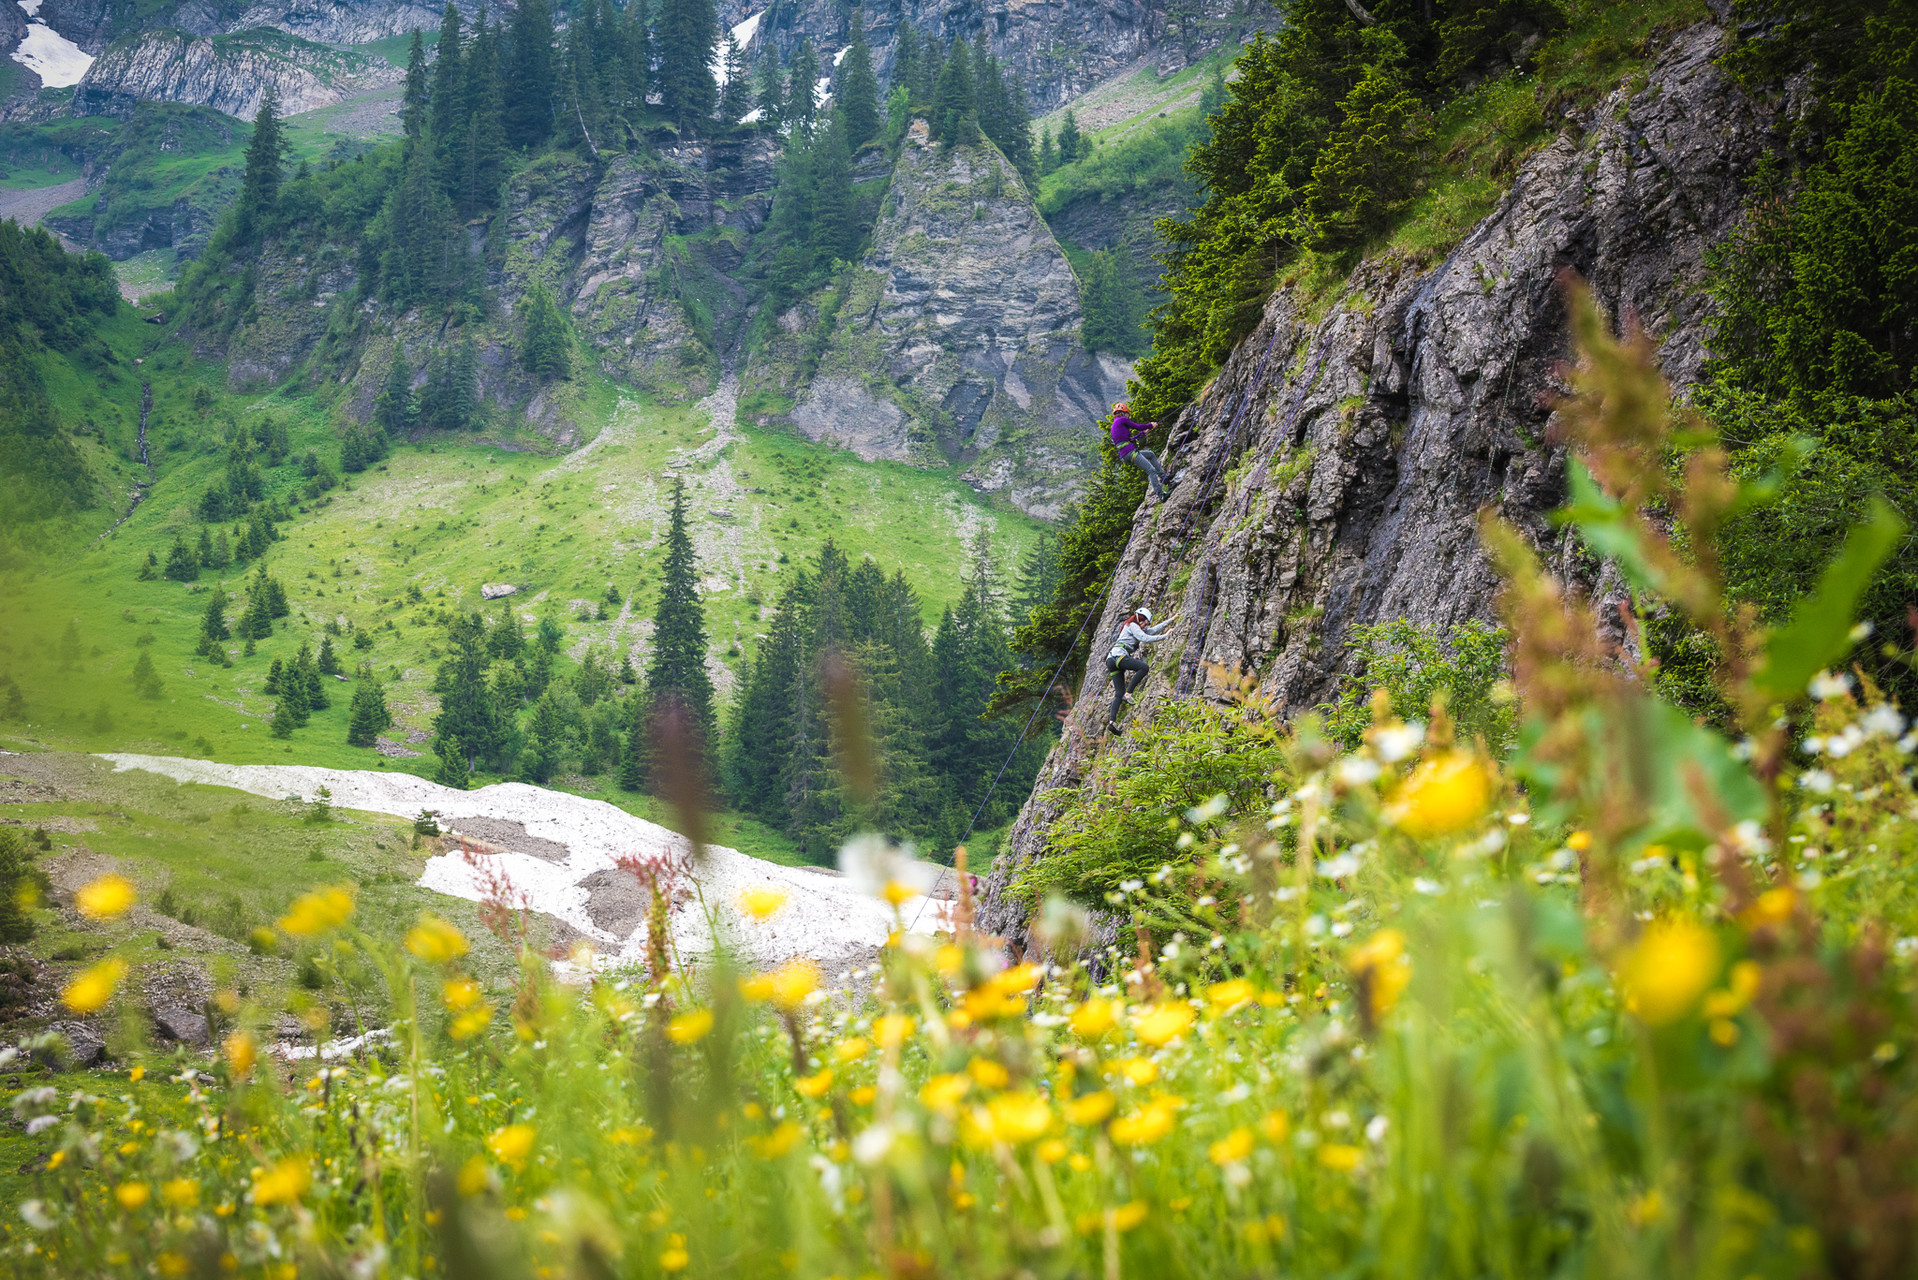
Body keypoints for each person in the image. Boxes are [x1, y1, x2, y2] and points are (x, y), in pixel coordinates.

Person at [1104, 605, 1174, 733]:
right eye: (1145, 623)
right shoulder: (1133, 626)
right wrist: (1165, 636)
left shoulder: (1132, 627)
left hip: (1111, 659)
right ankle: (1129, 694)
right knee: (1143, 667)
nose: (1145, 626)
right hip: (1119, 656)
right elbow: (1145, 638)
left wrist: (1170, 620)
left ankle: (1112, 722)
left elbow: (1152, 631)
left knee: (1118, 693)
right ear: (1140, 619)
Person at [1109, 402, 1169, 503]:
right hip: (1130, 452)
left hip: (1125, 454)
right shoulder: (1122, 419)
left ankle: (1164, 478)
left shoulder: (1115, 424)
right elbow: (1137, 426)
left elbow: (1128, 440)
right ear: (1124, 413)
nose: (1128, 417)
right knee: (1151, 470)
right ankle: (1161, 495)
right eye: (1128, 414)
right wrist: (1150, 425)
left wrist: (1142, 433)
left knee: (1150, 454)